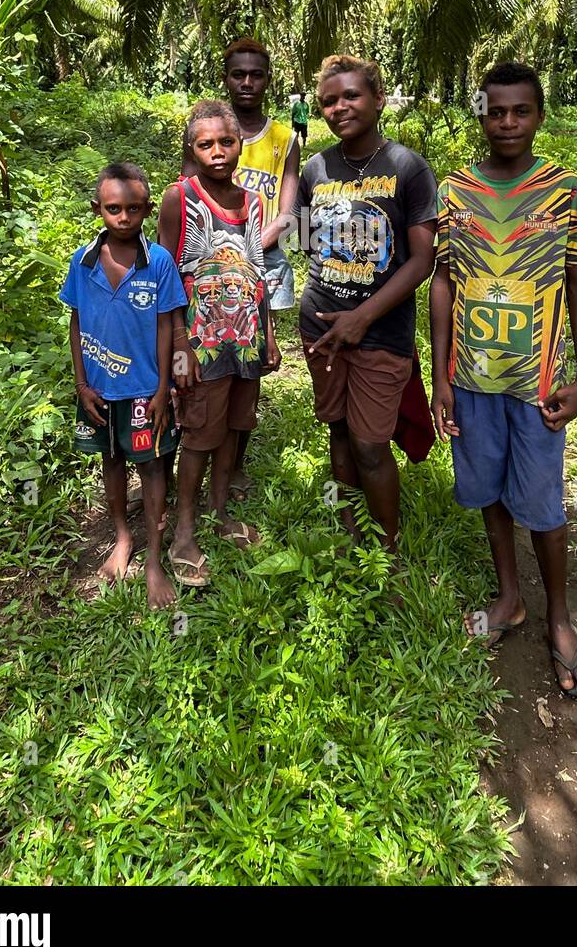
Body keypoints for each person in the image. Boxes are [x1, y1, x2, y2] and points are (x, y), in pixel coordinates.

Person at [429, 61, 577, 696]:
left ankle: (559, 618)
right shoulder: (455, 191)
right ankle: (510, 598)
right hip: (471, 379)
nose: (507, 122)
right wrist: (440, 373)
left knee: (542, 502)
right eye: (495, 111)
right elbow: (443, 281)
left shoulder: (564, 191)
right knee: (490, 491)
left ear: (539, 116)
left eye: (520, 111)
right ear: (480, 113)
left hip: (538, 384)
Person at [289, 53, 437, 554]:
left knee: (371, 444)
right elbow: (309, 239)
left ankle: (385, 548)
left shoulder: (407, 167)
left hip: (380, 332)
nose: (339, 108)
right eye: (328, 101)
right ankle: (352, 529)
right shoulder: (315, 168)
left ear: (377, 99)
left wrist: (362, 316)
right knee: (338, 430)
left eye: (351, 96)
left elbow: (421, 261)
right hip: (320, 327)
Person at [158, 100, 281, 588]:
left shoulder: (251, 201)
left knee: (233, 427)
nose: (217, 152)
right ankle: (183, 532)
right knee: (199, 437)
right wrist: (178, 347)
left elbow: (257, 269)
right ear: (192, 149)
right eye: (205, 144)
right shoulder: (180, 198)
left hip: (245, 336)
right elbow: (165, 277)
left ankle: (220, 510)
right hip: (201, 340)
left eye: (226, 142)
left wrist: (268, 333)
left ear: (240, 145)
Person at [60, 163, 185, 609]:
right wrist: (81, 383)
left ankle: (154, 558)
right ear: (98, 209)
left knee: (152, 468)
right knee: (110, 462)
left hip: (144, 392)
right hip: (97, 390)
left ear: (148, 209)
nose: (124, 217)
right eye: (114, 209)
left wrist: (162, 388)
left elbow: (168, 325)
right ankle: (122, 537)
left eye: (134, 208)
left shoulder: (160, 263)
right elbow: (76, 322)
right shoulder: (83, 262)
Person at [180, 37, 298, 500]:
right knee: (206, 365)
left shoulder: (284, 139)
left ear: (269, 79)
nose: (247, 83)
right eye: (238, 74)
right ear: (226, 76)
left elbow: (288, 212)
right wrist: (222, 252)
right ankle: (197, 456)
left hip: (259, 263)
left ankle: (236, 463)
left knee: (250, 367)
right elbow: (188, 192)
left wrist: (251, 246)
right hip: (208, 269)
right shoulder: (208, 128)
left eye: (257, 74)